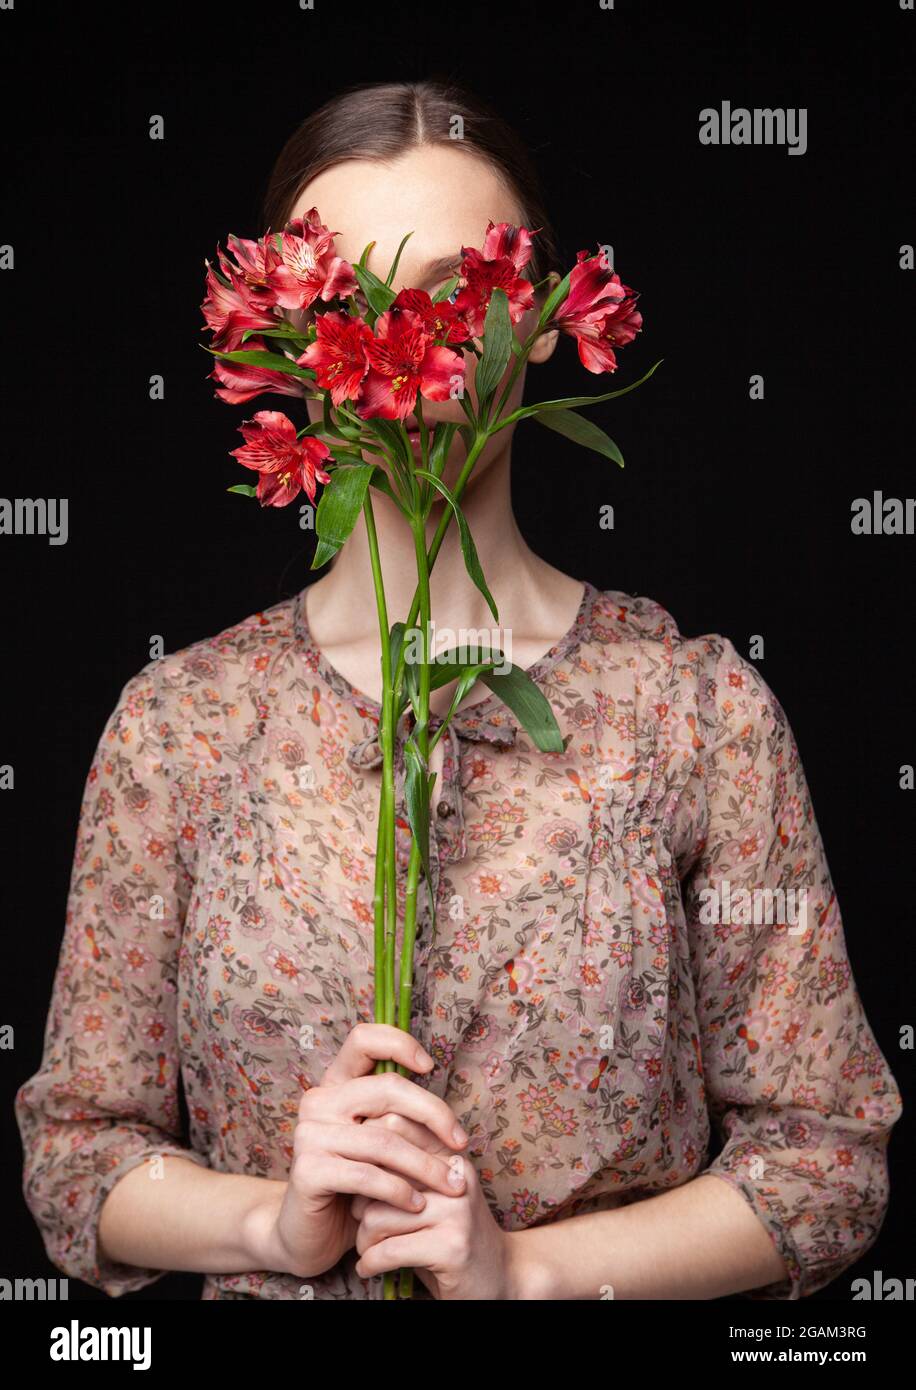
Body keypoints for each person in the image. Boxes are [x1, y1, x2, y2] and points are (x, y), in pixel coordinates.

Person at [15, 80, 902, 1301]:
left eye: (453, 294)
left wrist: (523, 1274)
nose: (407, 349)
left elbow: (825, 1157)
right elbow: (76, 1155)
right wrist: (277, 1225)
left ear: (541, 318)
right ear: (274, 338)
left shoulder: (691, 713)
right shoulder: (182, 725)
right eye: (344, 304)